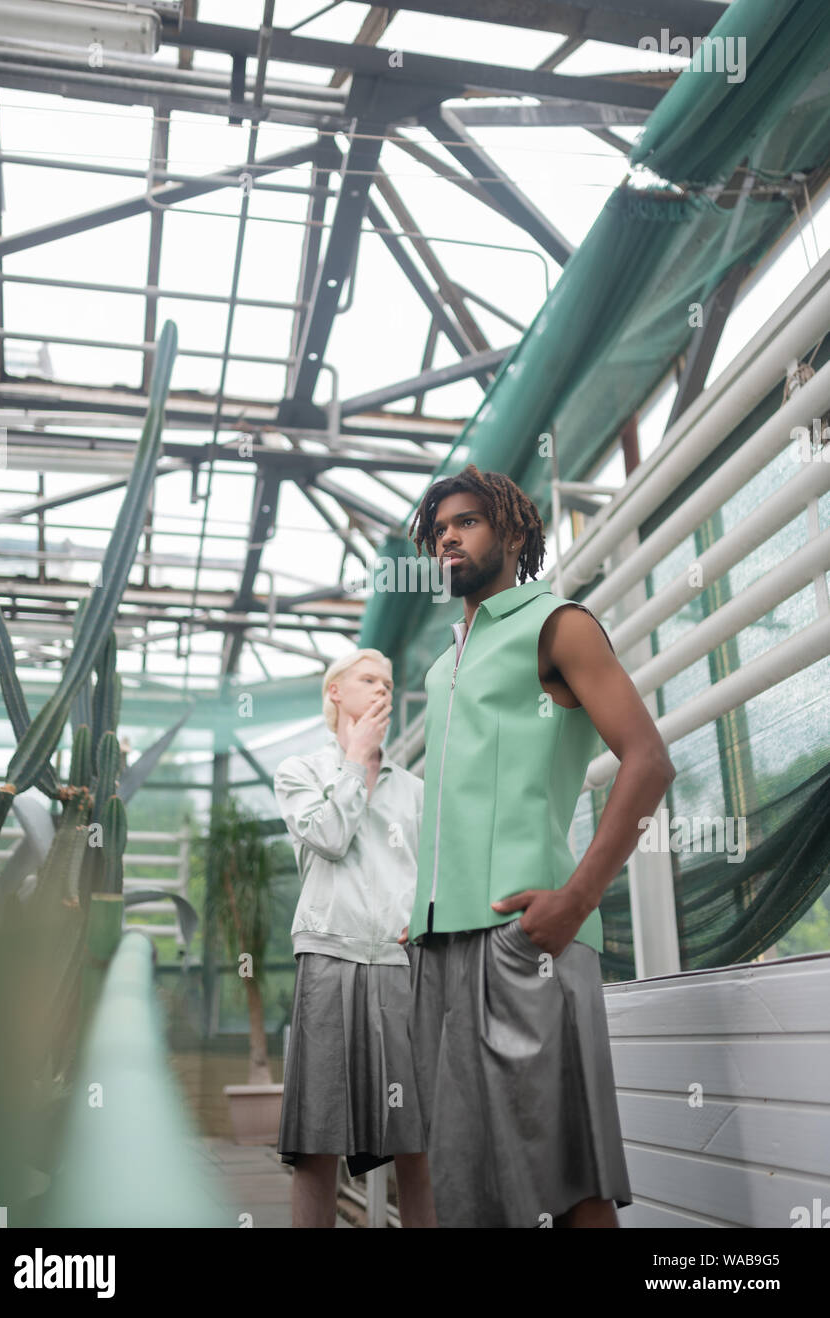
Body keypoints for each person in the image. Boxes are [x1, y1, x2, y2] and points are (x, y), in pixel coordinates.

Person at [398, 462, 676, 1229]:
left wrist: (575, 898)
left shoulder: (558, 625)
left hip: (528, 938)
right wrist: (421, 905)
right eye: (440, 528)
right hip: (439, 946)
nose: (449, 536)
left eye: (468, 522)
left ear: (514, 531)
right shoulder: (443, 662)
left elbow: (648, 760)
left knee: (569, 1176)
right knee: (466, 1185)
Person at [273, 648, 437, 1228]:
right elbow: (331, 835)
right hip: (328, 957)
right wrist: (356, 761)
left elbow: (431, 875)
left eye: (389, 683)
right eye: (369, 680)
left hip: (400, 968)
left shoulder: (414, 792)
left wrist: (424, 917)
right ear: (336, 692)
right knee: (317, 1145)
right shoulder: (299, 773)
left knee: (417, 1143)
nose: (383, 691)